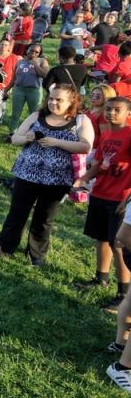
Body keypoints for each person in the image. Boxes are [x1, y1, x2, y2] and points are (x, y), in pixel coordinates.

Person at [0, 85, 94, 266]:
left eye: (59, 100)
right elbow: (15, 138)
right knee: (17, 214)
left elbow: (85, 146)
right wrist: (26, 137)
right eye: (51, 98)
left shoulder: (80, 120)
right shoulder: (37, 116)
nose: (53, 102)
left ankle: (36, 255)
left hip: (57, 179)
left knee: (44, 218)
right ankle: (2, 248)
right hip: (27, 174)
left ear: (71, 101)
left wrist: (57, 142)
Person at [74, 97, 131, 313]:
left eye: (117, 110)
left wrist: (127, 199)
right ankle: (101, 277)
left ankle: (123, 293)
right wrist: (84, 178)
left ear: (128, 114)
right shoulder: (106, 134)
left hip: (119, 198)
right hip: (100, 193)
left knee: (118, 244)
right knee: (102, 239)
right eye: (108, 109)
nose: (111, 113)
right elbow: (98, 163)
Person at [7, 43, 50, 134]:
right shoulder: (20, 62)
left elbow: (45, 75)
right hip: (19, 90)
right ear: (27, 50)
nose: (33, 53)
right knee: (15, 114)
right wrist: (6, 89)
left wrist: (35, 64)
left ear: (39, 53)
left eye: (36, 52)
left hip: (34, 91)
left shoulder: (42, 61)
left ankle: (32, 134)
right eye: (31, 50)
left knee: (34, 114)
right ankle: (12, 133)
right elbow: (14, 77)